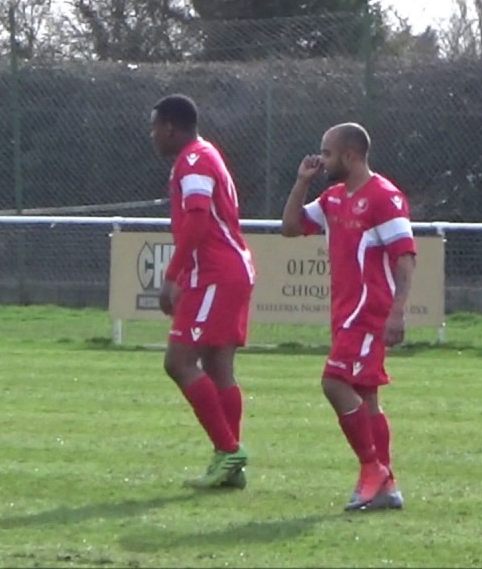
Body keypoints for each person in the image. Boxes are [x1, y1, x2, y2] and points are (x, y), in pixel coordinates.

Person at [280, 122, 416, 512]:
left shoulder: (384, 197)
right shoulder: (333, 198)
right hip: (344, 314)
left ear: (351, 155)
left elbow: (405, 258)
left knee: (333, 382)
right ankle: (386, 486)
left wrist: (397, 312)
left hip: (368, 313)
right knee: (367, 397)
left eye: (327, 153)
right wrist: (301, 182)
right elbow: (290, 227)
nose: (321, 160)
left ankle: (373, 469)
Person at [150, 94, 255, 489]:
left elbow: (197, 217)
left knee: (178, 361)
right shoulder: (206, 154)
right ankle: (230, 465)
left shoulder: (193, 159)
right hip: (228, 269)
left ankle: (229, 450)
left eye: (155, 127)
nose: (153, 135)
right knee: (218, 365)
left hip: (214, 273)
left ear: (170, 127)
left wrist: (173, 275)